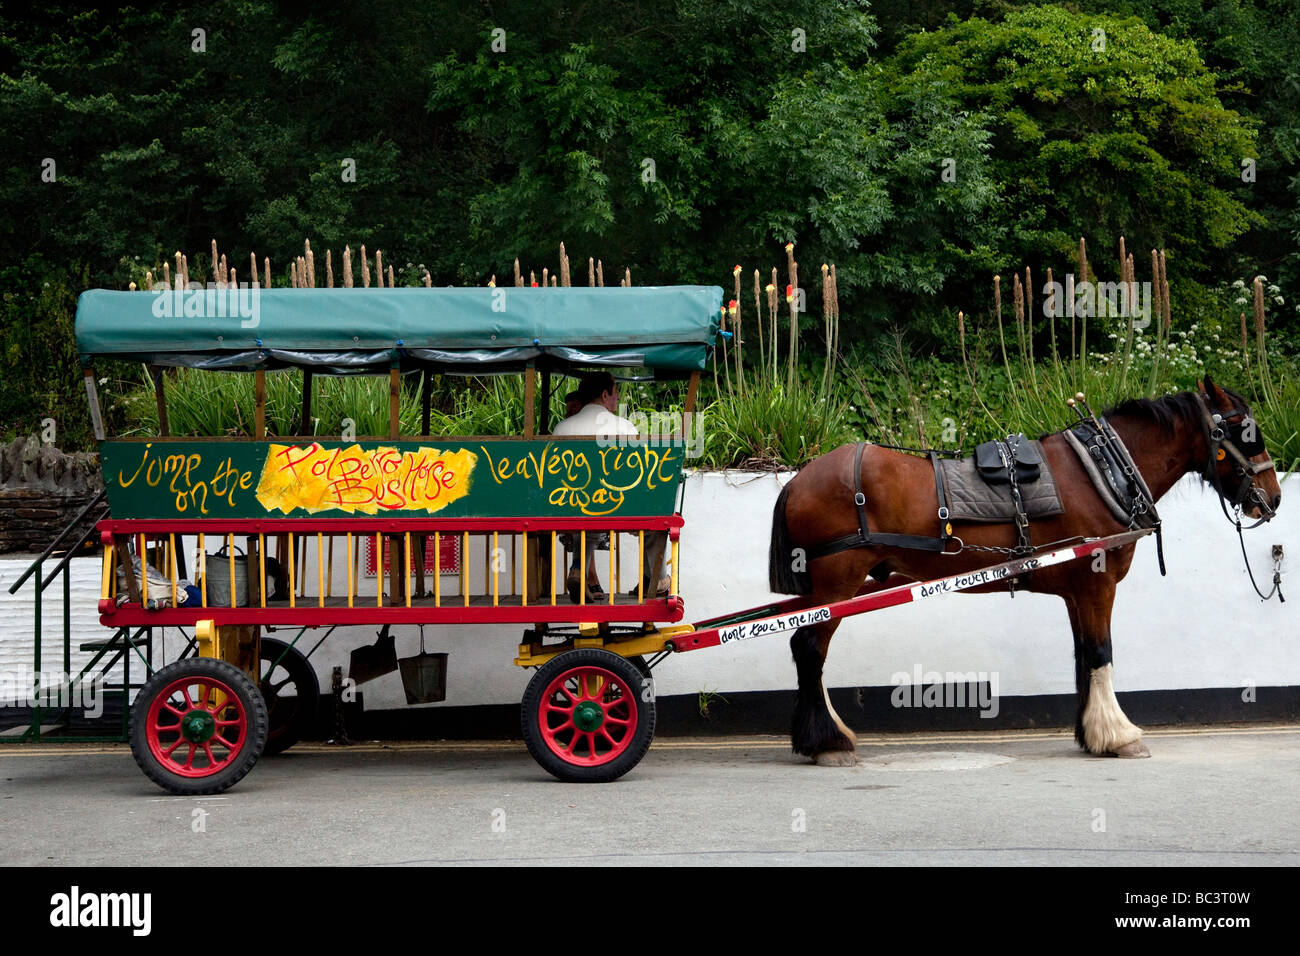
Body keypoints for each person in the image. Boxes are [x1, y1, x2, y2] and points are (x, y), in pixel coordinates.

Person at [552, 371, 669, 602]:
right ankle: (656, 578)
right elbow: (638, 474)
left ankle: (578, 567)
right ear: (605, 395)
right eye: (616, 394)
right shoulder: (624, 428)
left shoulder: (561, 429)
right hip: (619, 505)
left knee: (585, 518)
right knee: (658, 515)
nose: (617, 399)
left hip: (571, 505)